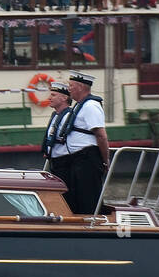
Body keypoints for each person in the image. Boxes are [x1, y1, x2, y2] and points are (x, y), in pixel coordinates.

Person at [51, 71, 109, 214]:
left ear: (81, 87)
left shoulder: (90, 106)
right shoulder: (79, 105)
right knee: (78, 195)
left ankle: (92, 225)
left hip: (88, 157)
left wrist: (105, 160)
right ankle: (80, 220)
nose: (68, 88)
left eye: (71, 85)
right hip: (78, 159)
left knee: (88, 195)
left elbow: (101, 136)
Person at [42, 81, 72, 167]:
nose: (49, 98)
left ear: (64, 98)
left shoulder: (69, 116)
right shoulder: (55, 115)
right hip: (54, 159)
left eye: (53, 95)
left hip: (65, 161)